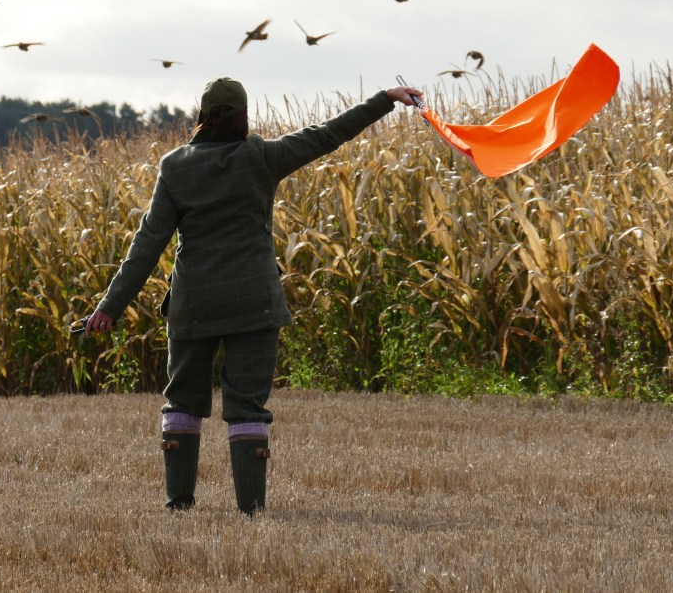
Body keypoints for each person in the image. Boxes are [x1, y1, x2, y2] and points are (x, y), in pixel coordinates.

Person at [83, 77, 422, 514]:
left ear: (201, 117)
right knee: (246, 406)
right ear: (243, 117)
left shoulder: (175, 166)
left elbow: (148, 244)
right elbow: (328, 134)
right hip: (253, 303)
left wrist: (109, 307)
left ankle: (179, 504)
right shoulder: (261, 157)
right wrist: (385, 100)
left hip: (194, 306)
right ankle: (250, 511)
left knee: (183, 400)